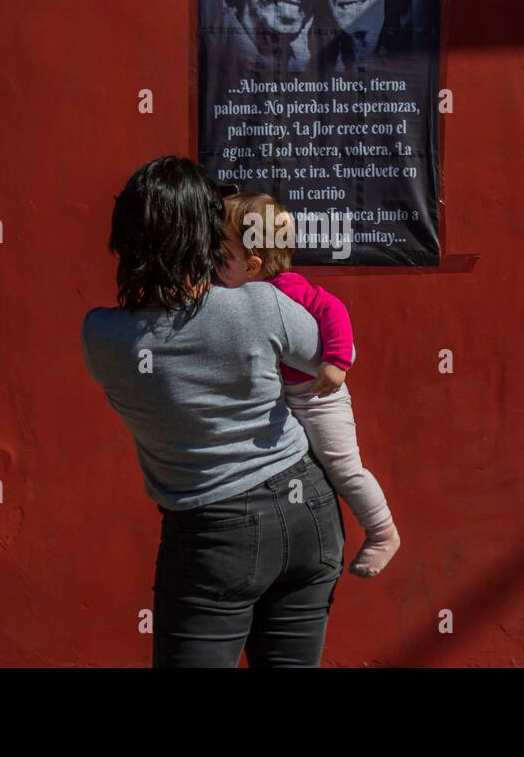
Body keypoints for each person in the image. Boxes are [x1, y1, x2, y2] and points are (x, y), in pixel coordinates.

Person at [82, 156, 346, 667]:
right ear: (207, 235)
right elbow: (323, 354)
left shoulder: (103, 337)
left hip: (213, 529)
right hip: (307, 508)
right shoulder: (260, 305)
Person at [219, 191, 401, 577]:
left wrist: (336, 362)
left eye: (222, 260)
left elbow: (333, 309)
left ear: (252, 266)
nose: (213, 267)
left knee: (344, 467)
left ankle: (382, 530)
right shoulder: (235, 293)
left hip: (321, 400)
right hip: (288, 400)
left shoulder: (289, 289)